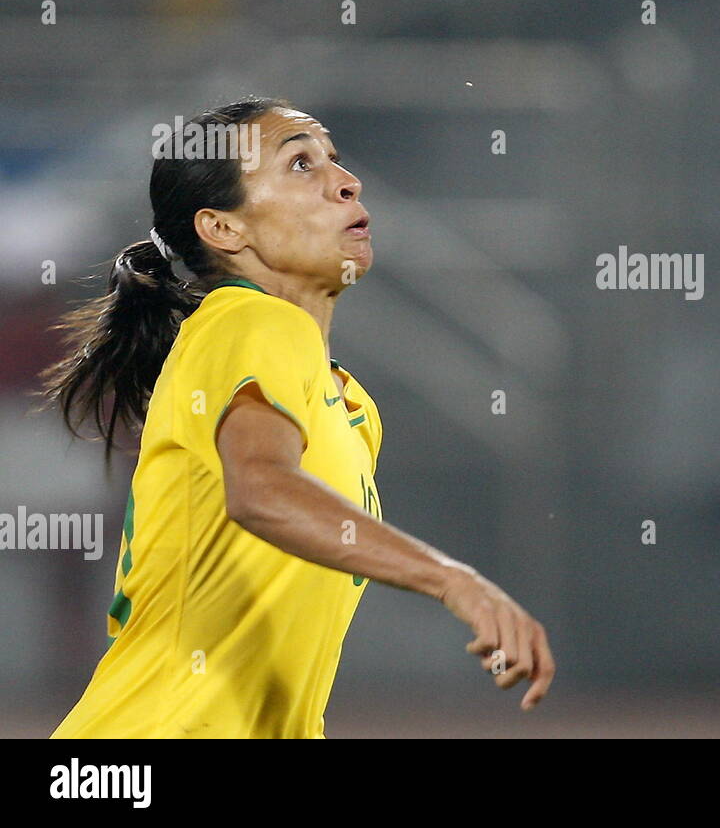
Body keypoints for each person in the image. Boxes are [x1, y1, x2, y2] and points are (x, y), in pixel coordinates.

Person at [37, 96, 554, 737]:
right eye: (301, 164)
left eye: (334, 160)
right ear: (224, 229)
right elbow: (259, 490)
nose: (347, 181)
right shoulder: (248, 318)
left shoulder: (350, 406)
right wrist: (454, 581)